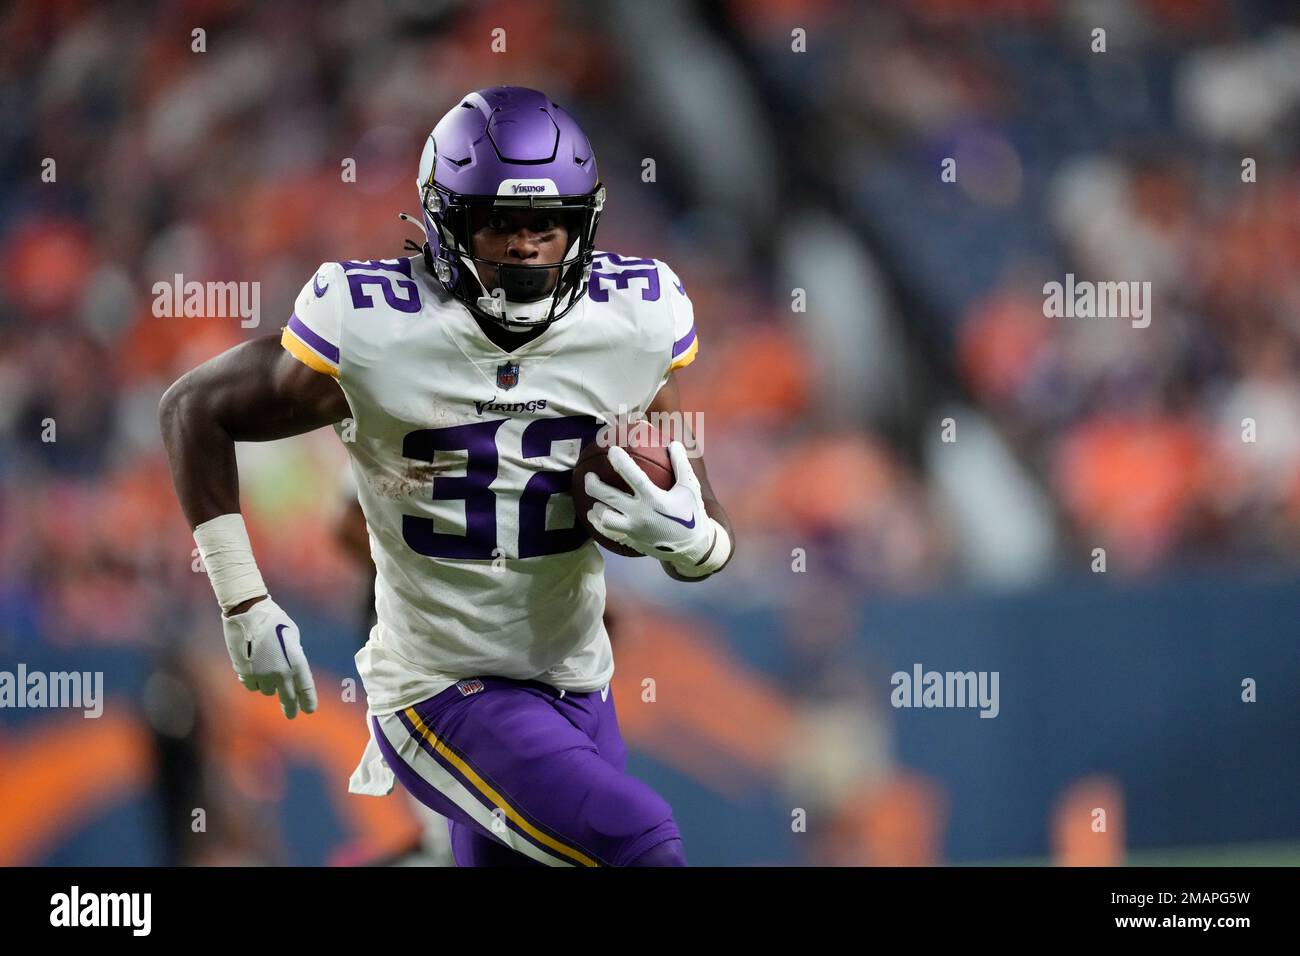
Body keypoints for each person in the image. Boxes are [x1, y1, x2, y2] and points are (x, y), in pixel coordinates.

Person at [159, 86, 735, 867]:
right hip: (441, 689)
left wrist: (694, 538)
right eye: (501, 222)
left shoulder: (634, 319)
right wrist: (244, 602)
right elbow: (195, 409)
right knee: (637, 837)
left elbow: (693, 490)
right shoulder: (376, 329)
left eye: (547, 225)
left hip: (578, 683)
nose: (527, 247)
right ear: (446, 222)